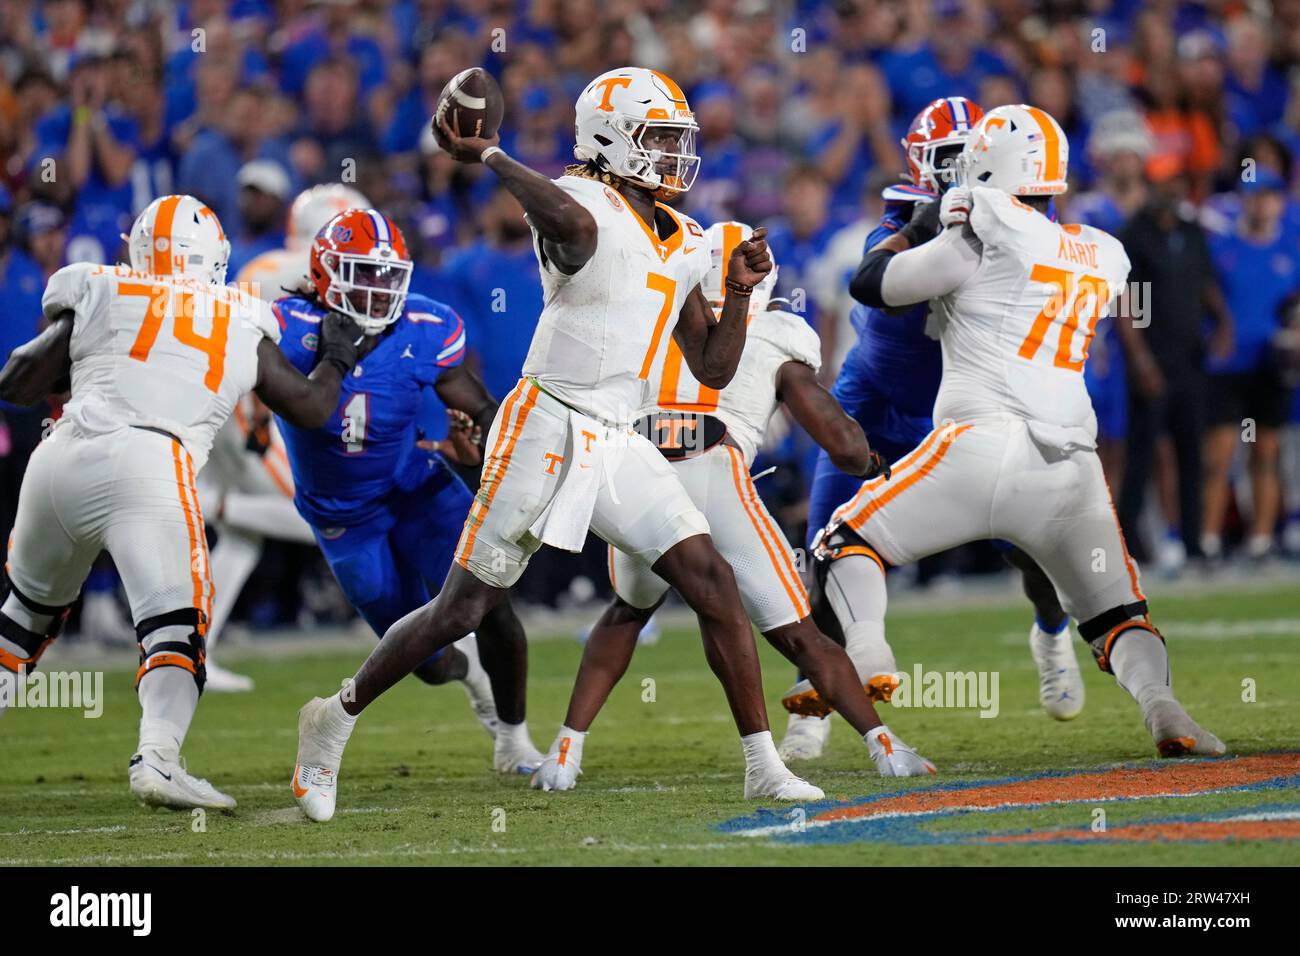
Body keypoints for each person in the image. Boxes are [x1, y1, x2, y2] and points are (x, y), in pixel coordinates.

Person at [291, 67, 875, 822]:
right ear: (608, 137)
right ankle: (334, 717)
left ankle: (762, 764)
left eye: (677, 140)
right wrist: (493, 156)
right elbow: (574, 230)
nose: (673, 155)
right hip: (545, 419)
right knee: (463, 609)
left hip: (618, 433)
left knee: (710, 579)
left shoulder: (689, 238)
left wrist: (732, 294)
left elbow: (713, 365)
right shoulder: (583, 202)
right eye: (658, 138)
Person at [827, 105, 1223, 760]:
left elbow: (871, 287)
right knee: (1118, 614)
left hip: (983, 445)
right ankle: (1166, 712)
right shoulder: (1103, 251)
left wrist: (922, 225)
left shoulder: (976, 234)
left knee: (844, 542)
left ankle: (871, 655)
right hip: (1071, 466)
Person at [531, 221, 932, 792]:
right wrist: (865, 459)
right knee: (797, 631)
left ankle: (565, 752)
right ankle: (884, 746)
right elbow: (838, 441)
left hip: (635, 474)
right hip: (713, 472)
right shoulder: (772, 333)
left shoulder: (652, 313)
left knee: (627, 611)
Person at [0, 194, 363, 809]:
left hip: (58, 459)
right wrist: (338, 354)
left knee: (21, 621)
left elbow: (16, 382)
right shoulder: (239, 313)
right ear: (213, 258)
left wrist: (90, 365)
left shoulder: (102, 288)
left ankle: (157, 759)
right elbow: (311, 407)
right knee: (175, 631)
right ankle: (159, 761)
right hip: (149, 465)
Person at [788, 97, 1080, 761]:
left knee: (1034, 552)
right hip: (879, 409)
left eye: (972, 159)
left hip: (975, 412)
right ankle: (815, 696)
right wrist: (930, 231)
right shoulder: (897, 225)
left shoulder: (1029, 220)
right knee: (828, 555)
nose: (964, 174)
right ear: (924, 165)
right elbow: (877, 281)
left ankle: (1051, 631)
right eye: (950, 162)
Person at [274, 207, 543, 775]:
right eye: (361, 274)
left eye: (386, 274)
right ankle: (471, 678)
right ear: (325, 274)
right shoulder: (285, 327)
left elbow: (480, 407)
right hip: (344, 518)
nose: (376, 289)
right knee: (425, 659)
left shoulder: (426, 325)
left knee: (491, 601)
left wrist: (514, 453)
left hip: (417, 486)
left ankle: (514, 736)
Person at [194, 183, 373, 690]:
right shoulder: (297, 269)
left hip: (235, 403)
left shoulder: (268, 264)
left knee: (242, 544)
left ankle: (192, 653)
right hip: (250, 410)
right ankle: (211, 504)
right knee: (319, 511)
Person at [1202, 169, 1300, 561]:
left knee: (1266, 451)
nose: (1261, 203)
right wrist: (1218, 326)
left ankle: (1260, 538)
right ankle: (1206, 539)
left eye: (1268, 195)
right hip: (1228, 366)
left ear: (1279, 200)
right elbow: (1206, 293)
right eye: (1254, 195)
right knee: (1221, 454)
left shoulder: (1291, 247)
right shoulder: (1223, 247)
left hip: (1270, 364)